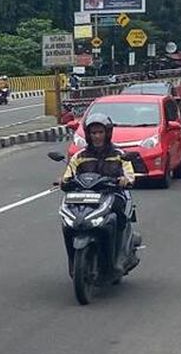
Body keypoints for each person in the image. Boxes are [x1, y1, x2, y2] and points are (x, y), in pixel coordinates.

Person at [59, 111, 137, 274]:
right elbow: (68, 175)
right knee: (68, 223)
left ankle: (119, 256)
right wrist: (63, 181)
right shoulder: (80, 156)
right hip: (84, 196)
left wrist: (125, 180)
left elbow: (129, 175)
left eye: (100, 132)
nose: (97, 136)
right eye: (93, 133)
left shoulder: (119, 155)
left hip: (111, 194)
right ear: (88, 135)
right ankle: (73, 261)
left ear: (107, 133)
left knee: (116, 218)